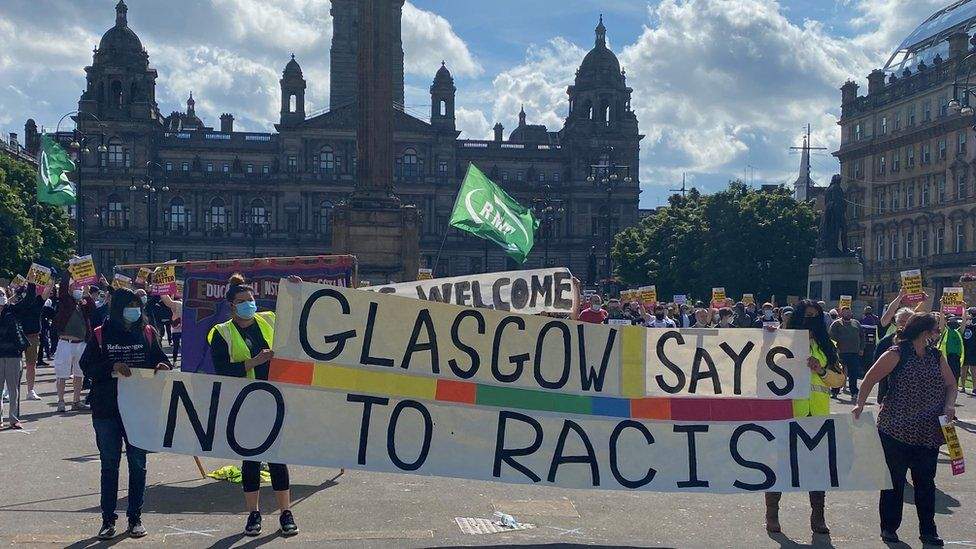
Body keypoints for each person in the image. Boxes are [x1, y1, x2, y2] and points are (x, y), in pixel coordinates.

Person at [852, 313, 957, 546]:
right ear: (924, 332)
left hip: (928, 432)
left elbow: (951, 384)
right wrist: (860, 403)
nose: (938, 335)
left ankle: (928, 531)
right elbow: (870, 378)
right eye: (935, 331)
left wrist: (949, 404)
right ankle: (889, 528)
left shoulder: (936, 356)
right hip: (895, 430)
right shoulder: (896, 353)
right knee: (894, 482)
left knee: (926, 484)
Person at [208, 274, 299, 537]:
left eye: (251, 299)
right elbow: (222, 370)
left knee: (279, 458)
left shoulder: (268, 320)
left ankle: (285, 512)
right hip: (244, 403)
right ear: (231, 305)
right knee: (251, 460)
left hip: (275, 399)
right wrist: (255, 361)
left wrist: (295, 291)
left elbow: (297, 323)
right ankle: (253, 514)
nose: (249, 304)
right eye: (242, 301)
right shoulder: (221, 333)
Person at [79, 288, 171, 540]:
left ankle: (135, 518)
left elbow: (161, 361)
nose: (135, 310)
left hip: (139, 410)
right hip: (107, 408)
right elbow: (87, 366)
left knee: (138, 464)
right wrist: (112, 367)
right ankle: (108, 520)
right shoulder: (100, 334)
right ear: (117, 309)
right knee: (109, 465)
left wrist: (163, 366)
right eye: (129, 305)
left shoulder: (149, 332)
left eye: (137, 305)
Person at [765, 300, 836, 535]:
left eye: (815, 317)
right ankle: (772, 513)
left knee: (816, 468)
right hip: (787, 413)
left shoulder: (828, 346)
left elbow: (839, 381)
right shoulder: (782, 342)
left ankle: (818, 516)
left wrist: (822, 371)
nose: (810, 321)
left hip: (817, 415)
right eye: (806, 317)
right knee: (781, 465)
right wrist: (769, 338)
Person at [53, 274, 94, 412]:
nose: (79, 289)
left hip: (81, 343)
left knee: (79, 373)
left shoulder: (83, 303)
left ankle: (76, 401)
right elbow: (63, 288)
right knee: (62, 373)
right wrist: (69, 271)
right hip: (66, 343)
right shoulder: (66, 301)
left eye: (80, 286)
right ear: (70, 289)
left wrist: (87, 295)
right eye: (75, 286)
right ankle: (61, 401)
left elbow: (93, 311)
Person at [11, 282, 47, 401]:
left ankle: (30, 390)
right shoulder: (18, 304)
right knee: (13, 364)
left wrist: (51, 279)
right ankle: (9, 390)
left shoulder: (38, 301)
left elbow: (46, 292)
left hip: (33, 336)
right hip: (17, 336)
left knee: (31, 364)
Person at [0, 287, 27, 429]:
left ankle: (14, 418)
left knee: (13, 389)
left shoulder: (12, 311)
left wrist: (31, 284)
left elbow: (28, 302)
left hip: (13, 355)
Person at [829, 306, 863, 398]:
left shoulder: (856, 323)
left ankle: (854, 392)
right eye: (845, 312)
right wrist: (835, 349)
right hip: (841, 352)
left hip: (854, 352)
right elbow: (831, 338)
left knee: (853, 373)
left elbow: (862, 336)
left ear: (851, 313)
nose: (847, 314)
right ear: (841, 314)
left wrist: (861, 348)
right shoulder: (836, 324)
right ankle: (835, 391)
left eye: (849, 312)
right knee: (838, 372)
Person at [939, 315, 964, 384]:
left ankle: (953, 392)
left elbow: (963, 323)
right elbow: (941, 321)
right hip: (947, 357)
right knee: (946, 378)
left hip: (956, 358)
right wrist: (942, 308)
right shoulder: (945, 331)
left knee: (955, 378)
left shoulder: (959, 332)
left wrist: (964, 310)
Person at [161, 294, 183, 363]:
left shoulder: (177, 304)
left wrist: (163, 292)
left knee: (176, 347)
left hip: (176, 330)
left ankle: (174, 361)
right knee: (184, 347)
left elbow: (167, 301)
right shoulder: (183, 304)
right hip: (183, 329)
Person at [962, 307, 976, 394]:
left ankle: (972, 387)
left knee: (971, 370)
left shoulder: (972, 324)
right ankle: (963, 386)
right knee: (965, 369)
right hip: (966, 348)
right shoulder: (964, 323)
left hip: (970, 349)